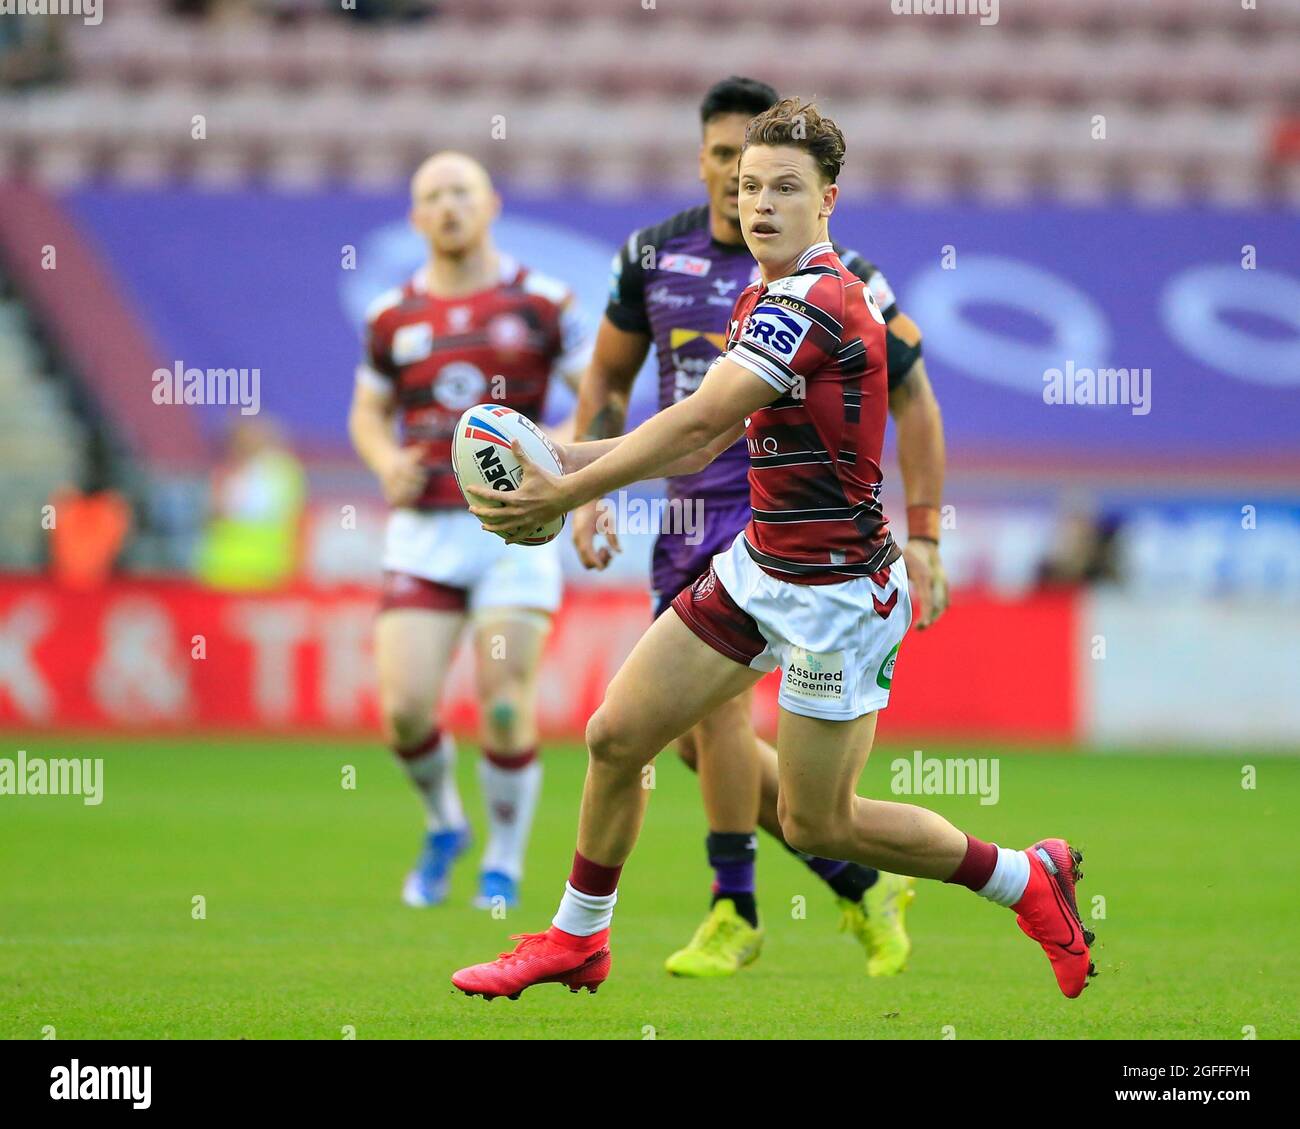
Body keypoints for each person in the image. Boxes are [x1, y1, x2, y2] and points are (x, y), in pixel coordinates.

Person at [452, 99, 1095, 1002]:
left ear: (827, 199)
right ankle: (577, 938)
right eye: (750, 186)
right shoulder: (761, 292)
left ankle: (1024, 877)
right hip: (761, 569)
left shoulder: (820, 298)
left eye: (785, 188)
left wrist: (565, 484)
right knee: (617, 734)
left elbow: (699, 424)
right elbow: (706, 438)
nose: (759, 203)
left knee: (819, 822)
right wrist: (555, 462)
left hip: (839, 595)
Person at [570, 77, 948, 978]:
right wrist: (588, 492)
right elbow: (608, 379)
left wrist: (927, 533)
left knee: (713, 716)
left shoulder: (840, 276)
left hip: (774, 516)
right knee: (698, 739)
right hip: (680, 505)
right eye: (731, 162)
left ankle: (733, 907)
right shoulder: (652, 256)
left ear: (813, 191)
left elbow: (913, 397)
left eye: (772, 173)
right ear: (709, 161)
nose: (746, 182)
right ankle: (855, 878)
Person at [348, 151, 590, 909]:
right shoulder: (392, 316)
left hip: (513, 532)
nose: (448, 206)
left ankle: (505, 864)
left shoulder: (544, 302)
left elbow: (599, 395)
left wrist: (558, 458)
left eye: (461, 192)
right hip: (424, 529)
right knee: (405, 709)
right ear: (417, 218)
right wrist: (385, 458)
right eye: (432, 196)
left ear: (491, 205)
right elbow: (367, 411)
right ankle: (445, 821)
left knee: (507, 702)